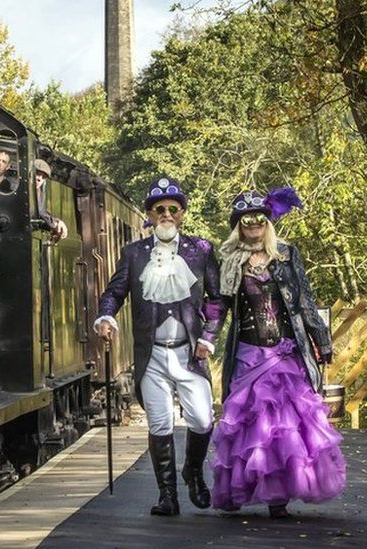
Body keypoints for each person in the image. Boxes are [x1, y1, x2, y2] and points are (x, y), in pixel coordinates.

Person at [210, 188, 345, 518]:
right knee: (251, 428)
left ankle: (279, 498)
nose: (253, 225)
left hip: (284, 353)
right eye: (246, 221)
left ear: (268, 222)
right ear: (238, 226)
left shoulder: (287, 255)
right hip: (248, 353)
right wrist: (205, 338)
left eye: (259, 219)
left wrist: (322, 343)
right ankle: (250, 489)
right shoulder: (230, 261)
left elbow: (305, 302)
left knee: (284, 428)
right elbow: (219, 307)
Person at [95, 177, 224, 516]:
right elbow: (114, 293)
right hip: (150, 354)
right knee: (160, 423)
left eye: (172, 209)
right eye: (158, 210)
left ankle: (193, 473)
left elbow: (216, 300)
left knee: (201, 419)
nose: (166, 215)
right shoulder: (134, 253)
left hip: (189, 352)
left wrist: (208, 338)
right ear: (150, 215)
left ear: (182, 213)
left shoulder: (201, 250)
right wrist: (106, 318)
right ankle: (167, 495)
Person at [33, 159, 68, 243]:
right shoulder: (15, 186)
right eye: (37, 173)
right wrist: (54, 223)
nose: (39, 178)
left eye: (43, 176)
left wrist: (56, 222)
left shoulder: (39, 192)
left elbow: (41, 212)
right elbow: (39, 212)